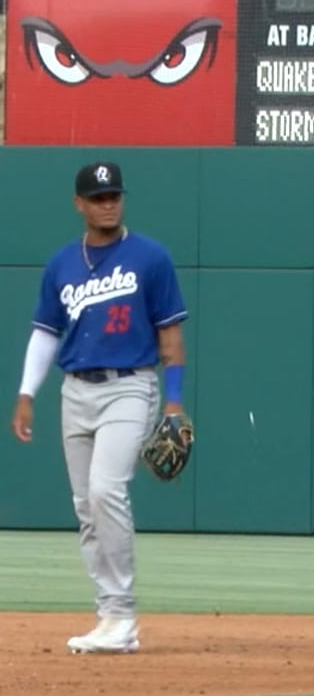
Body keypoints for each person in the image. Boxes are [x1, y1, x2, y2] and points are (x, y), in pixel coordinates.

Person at [10, 161, 191, 655]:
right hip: (75, 391)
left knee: (106, 490)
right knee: (86, 508)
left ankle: (124, 617)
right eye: (98, 196)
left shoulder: (150, 258)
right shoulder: (62, 264)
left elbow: (170, 336)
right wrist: (27, 394)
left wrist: (173, 402)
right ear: (80, 204)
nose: (108, 202)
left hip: (130, 386)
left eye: (114, 194)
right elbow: (46, 332)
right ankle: (109, 613)